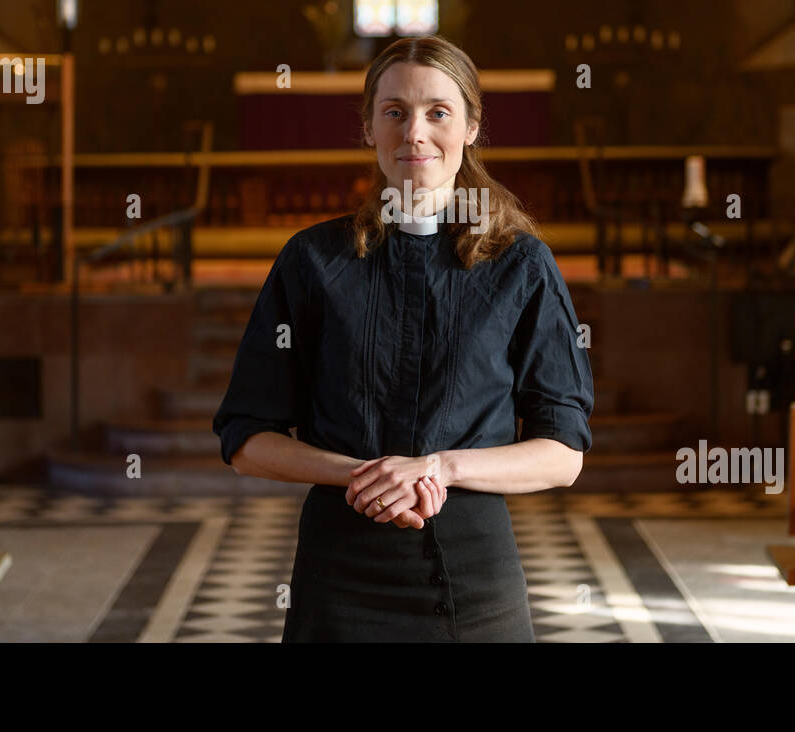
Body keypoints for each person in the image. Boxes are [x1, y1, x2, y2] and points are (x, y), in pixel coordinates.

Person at [212, 35, 595, 642]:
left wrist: (437, 467)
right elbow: (246, 438)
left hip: (475, 578)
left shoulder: (522, 266)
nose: (414, 133)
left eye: (438, 112)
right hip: (341, 575)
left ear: (471, 126)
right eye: (395, 112)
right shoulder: (311, 261)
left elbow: (565, 453)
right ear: (368, 127)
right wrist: (365, 475)